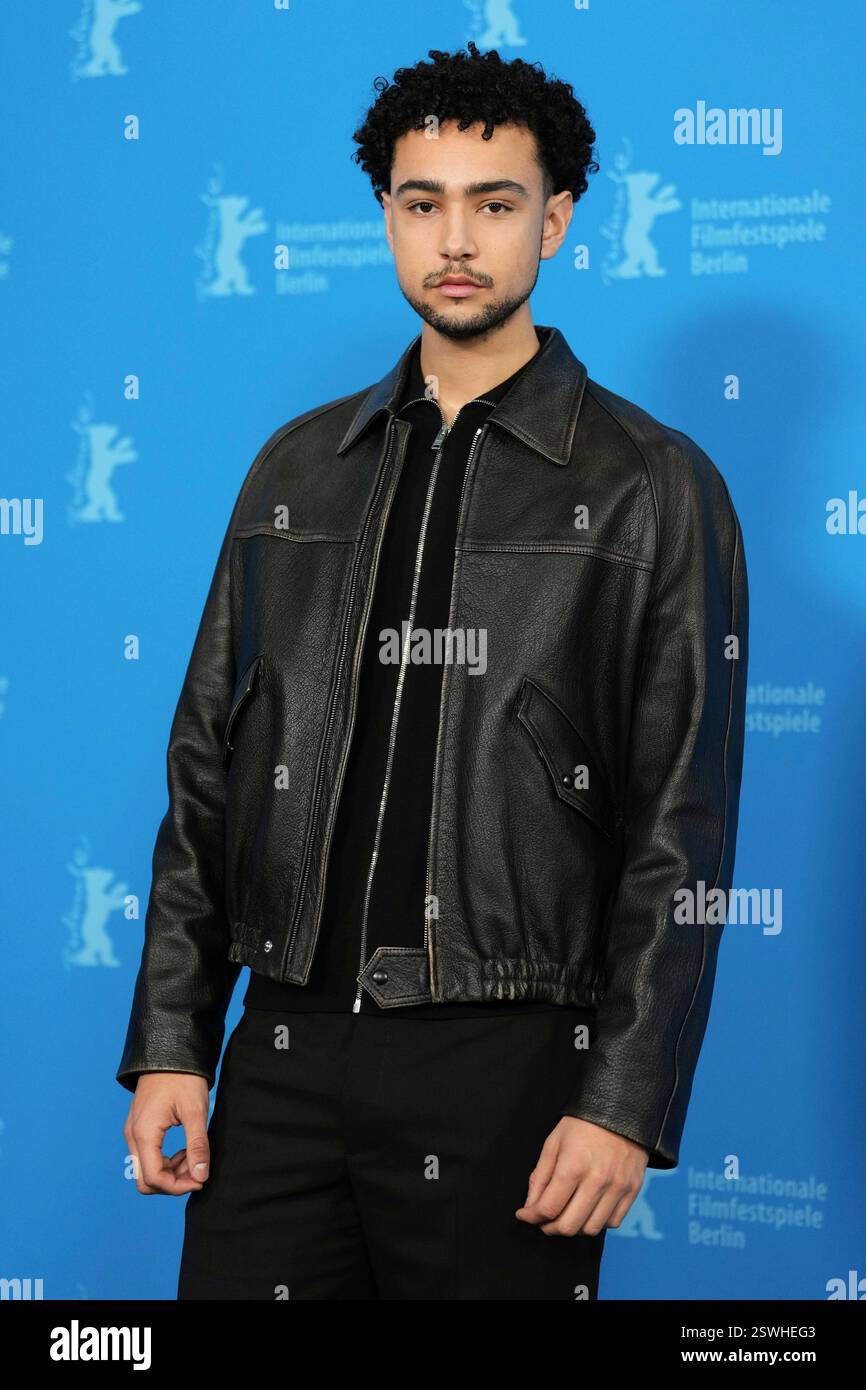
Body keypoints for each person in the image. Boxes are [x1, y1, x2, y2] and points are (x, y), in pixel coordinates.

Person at [116, 42, 748, 1300]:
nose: (454, 238)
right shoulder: (298, 469)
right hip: (284, 1053)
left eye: (494, 203)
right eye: (422, 203)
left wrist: (621, 1102)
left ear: (555, 221)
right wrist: (174, 1043)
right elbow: (207, 770)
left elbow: (680, 823)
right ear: (388, 218)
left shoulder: (648, 483)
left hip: (507, 1064)